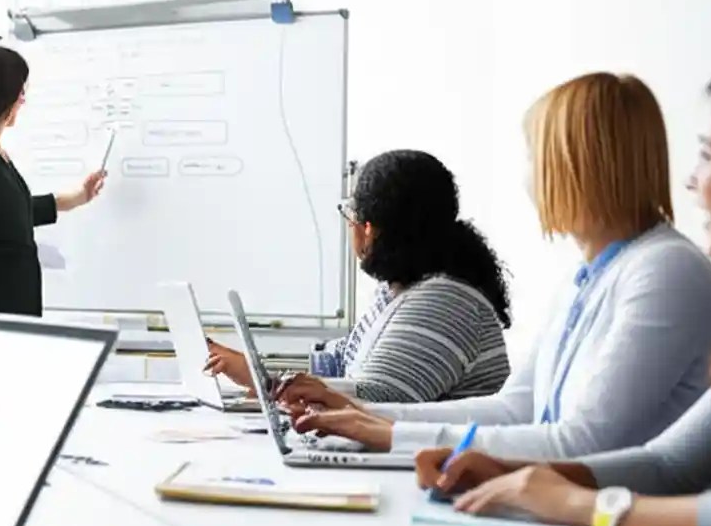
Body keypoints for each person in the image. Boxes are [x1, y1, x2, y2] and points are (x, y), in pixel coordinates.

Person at [414, 37, 711, 526]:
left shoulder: (668, 268)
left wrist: (582, 505)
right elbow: (670, 463)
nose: (691, 180)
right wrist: (510, 471)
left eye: (709, 155)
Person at [279, 72, 711, 460]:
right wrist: (363, 414)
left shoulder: (665, 272)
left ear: (575, 165)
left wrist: (389, 432)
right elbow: (515, 408)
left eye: (533, 156)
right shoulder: (588, 278)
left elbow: (582, 442)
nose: (528, 178)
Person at [206, 150, 512, 404]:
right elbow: (342, 363)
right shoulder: (399, 290)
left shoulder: (443, 302)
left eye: (350, 215)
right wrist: (260, 375)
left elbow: (381, 400)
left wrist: (269, 384)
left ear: (369, 228)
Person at [0, 44, 105, 359]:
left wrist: (76, 198)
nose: (22, 100)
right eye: (18, 91)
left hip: (7, 326)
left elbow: (5, 213)